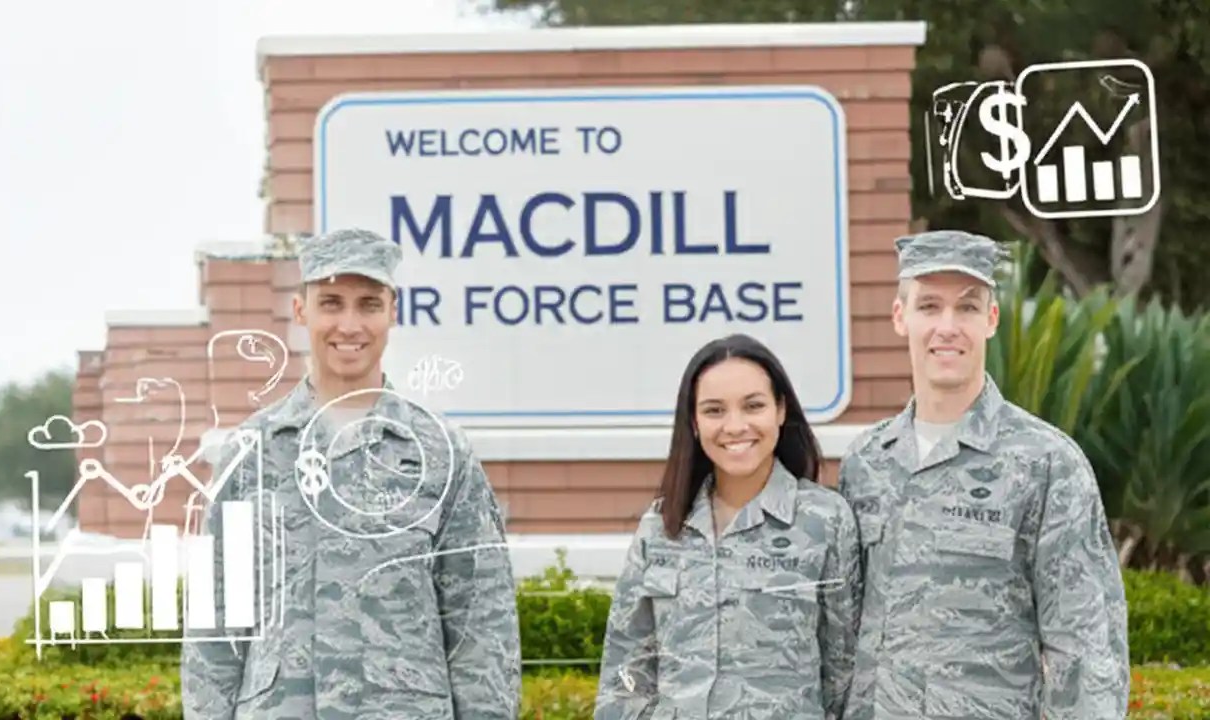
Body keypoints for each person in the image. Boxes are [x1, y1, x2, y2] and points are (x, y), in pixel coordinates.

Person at [180, 228, 522, 719]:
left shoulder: (442, 453)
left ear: (393, 312)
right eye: (332, 303)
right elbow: (216, 623)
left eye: (368, 304)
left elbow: (481, 624)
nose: (349, 324)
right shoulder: (252, 452)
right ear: (301, 311)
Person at [837, 230, 1130, 720]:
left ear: (991, 319)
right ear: (899, 317)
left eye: (968, 307)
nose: (947, 326)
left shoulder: (1046, 464)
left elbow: (1086, 648)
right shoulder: (866, 463)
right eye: (929, 306)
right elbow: (843, 636)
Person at [594, 334, 863, 720]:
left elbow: (846, 673)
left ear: (781, 410)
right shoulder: (660, 526)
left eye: (753, 406)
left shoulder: (825, 521)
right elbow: (626, 668)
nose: (735, 426)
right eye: (715, 410)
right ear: (694, 420)